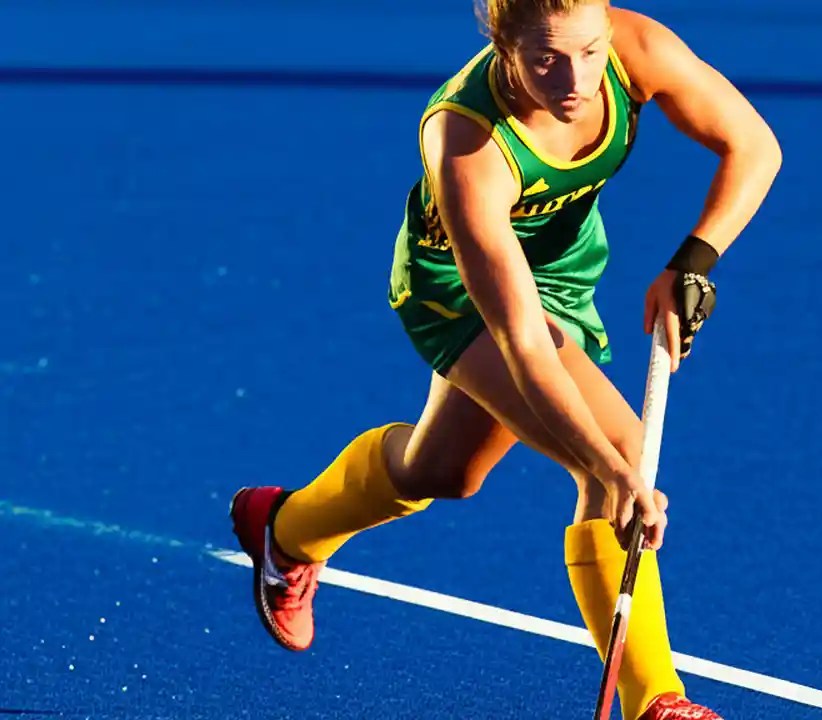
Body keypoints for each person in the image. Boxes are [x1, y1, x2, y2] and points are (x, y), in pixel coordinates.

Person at [229, 1, 781, 718]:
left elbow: (754, 146)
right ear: (504, 45)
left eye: (588, 51)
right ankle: (658, 703)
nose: (575, 78)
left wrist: (695, 260)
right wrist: (614, 470)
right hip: (458, 290)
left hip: (560, 276)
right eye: (546, 59)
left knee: (445, 472)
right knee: (615, 453)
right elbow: (522, 340)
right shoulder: (466, 139)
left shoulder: (636, 47)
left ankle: (286, 528)